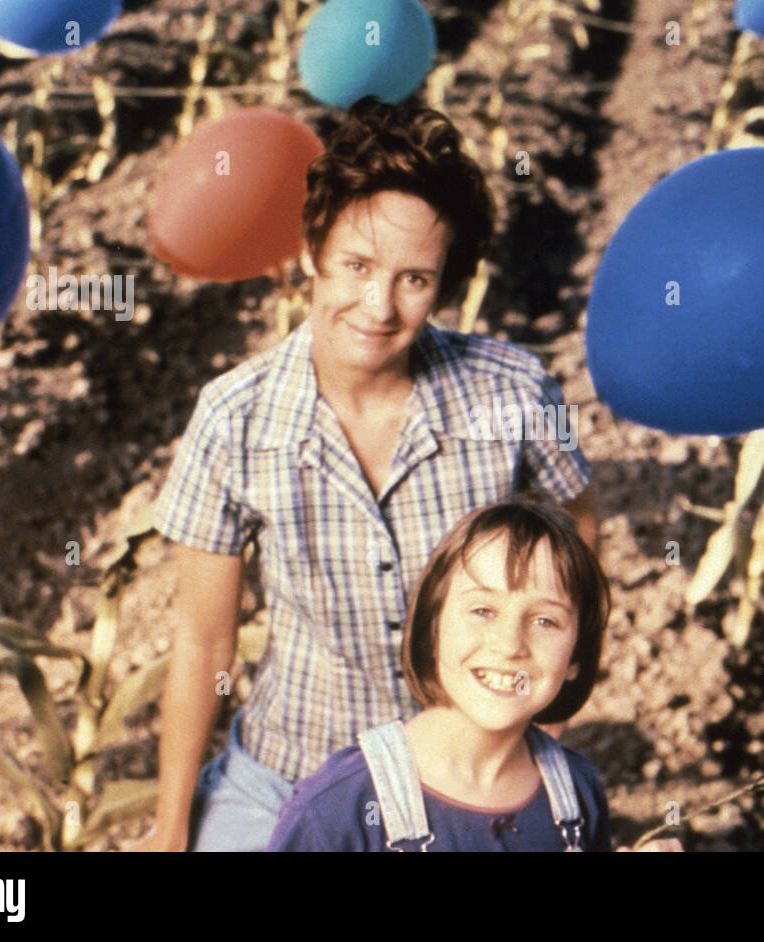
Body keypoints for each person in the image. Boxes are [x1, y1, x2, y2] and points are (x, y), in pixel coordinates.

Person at [136, 96, 598, 852]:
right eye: (356, 265)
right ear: (311, 254)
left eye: (414, 278)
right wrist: (170, 826)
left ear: (444, 285)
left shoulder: (513, 393)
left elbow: (578, 526)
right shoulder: (233, 419)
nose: (378, 305)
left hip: (462, 786)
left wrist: (539, 712)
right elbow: (202, 643)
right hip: (288, 773)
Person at [268, 499, 612, 852]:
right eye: (482, 610)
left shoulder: (577, 793)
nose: (510, 644)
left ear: (576, 656)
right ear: (432, 629)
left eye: (545, 621)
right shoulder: (337, 810)